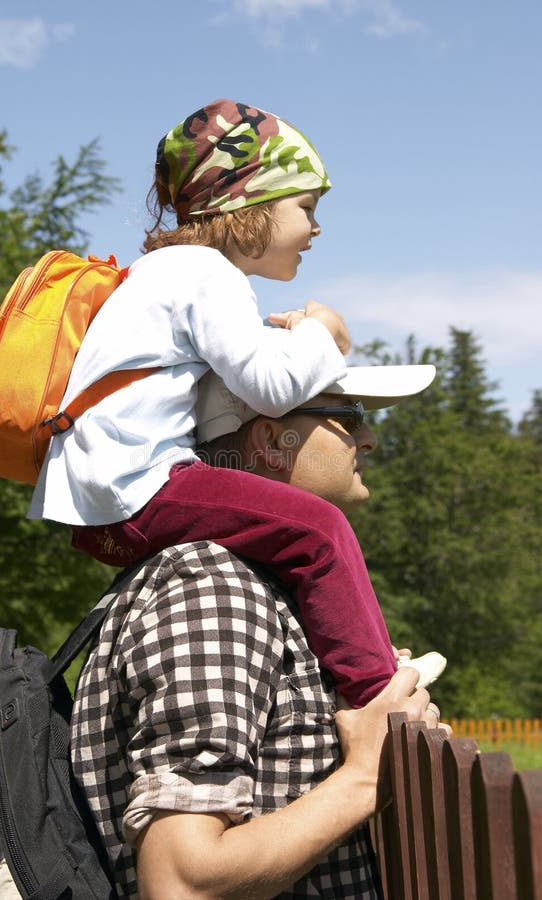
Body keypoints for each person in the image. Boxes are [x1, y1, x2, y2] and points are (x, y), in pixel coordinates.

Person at [29, 98, 434, 707]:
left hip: (113, 491)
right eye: (306, 207)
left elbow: (225, 402)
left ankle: (370, 653)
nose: (316, 229)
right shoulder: (204, 272)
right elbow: (267, 388)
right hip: (137, 485)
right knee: (318, 529)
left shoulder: (163, 274)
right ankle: (377, 689)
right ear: (250, 208)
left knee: (278, 529)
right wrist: (325, 332)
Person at [71, 363, 449, 898]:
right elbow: (181, 880)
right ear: (271, 439)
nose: (369, 439)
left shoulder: (261, 587)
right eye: (350, 417)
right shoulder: (213, 587)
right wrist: (365, 776)